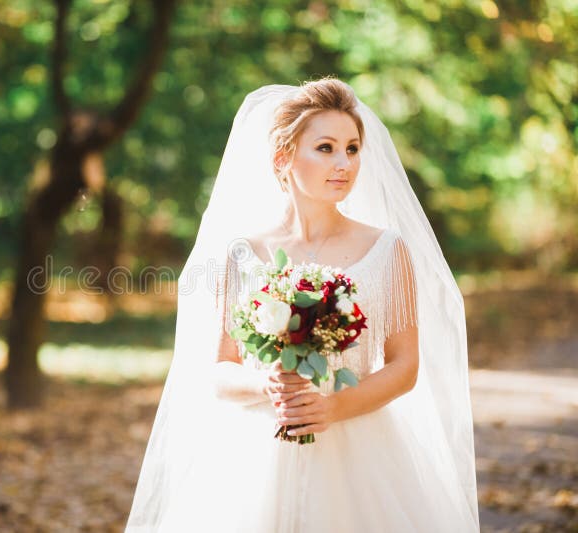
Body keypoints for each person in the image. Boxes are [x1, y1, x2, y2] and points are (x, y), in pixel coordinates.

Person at [125, 77, 480, 532]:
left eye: (352, 149)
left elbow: (404, 366)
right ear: (284, 157)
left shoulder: (388, 250)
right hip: (254, 458)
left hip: (359, 451)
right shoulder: (242, 254)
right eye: (326, 148)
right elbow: (220, 369)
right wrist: (266, 385)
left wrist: (333, 407)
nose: (344, 164)